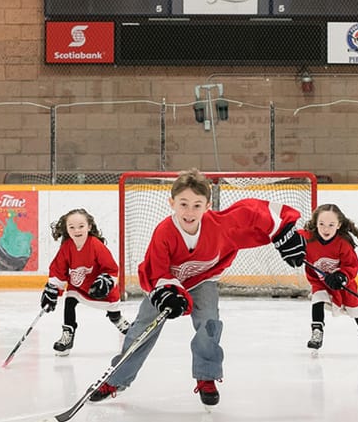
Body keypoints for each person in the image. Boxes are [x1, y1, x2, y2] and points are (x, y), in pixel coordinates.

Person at [88, 168, 306, 407]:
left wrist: (284, 233)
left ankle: (207, 377)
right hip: (166, 285)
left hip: (204, 280)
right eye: (183, 204)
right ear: (171, 202)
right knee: (142, 328)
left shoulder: (220, 226)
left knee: (209, 323)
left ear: (208, 205)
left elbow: (253, 211)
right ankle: (116, 378)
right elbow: (156, 270)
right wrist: (167, 292)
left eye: (196, 205)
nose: (189, 212)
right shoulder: (163, 233)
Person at [40, 208, 130, 354]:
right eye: (72, 227)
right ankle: (67, 336)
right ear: (66, 229)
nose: (77, 230)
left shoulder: (95, 244)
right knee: (70, 301)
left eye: (81, 226)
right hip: (79, 286)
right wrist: (53, 290)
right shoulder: (66, 247)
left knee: (113, 312)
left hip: (98, 287)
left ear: (89, 227)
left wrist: (106, 281)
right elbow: (58, 269)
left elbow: (111, 268)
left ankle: (120, 322)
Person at [301, 204, 358, 354]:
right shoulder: (307, 238)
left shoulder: (343, 244)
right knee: (318, 297)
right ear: (315, 224)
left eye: (331, 225)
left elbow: (351, 265)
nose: (325, 229)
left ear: (339, 225)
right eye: (321, 224)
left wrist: (342, 276)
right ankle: (317, 332)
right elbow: (290, 239)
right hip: (320, 282)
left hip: (342, 285)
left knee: (356, 311)